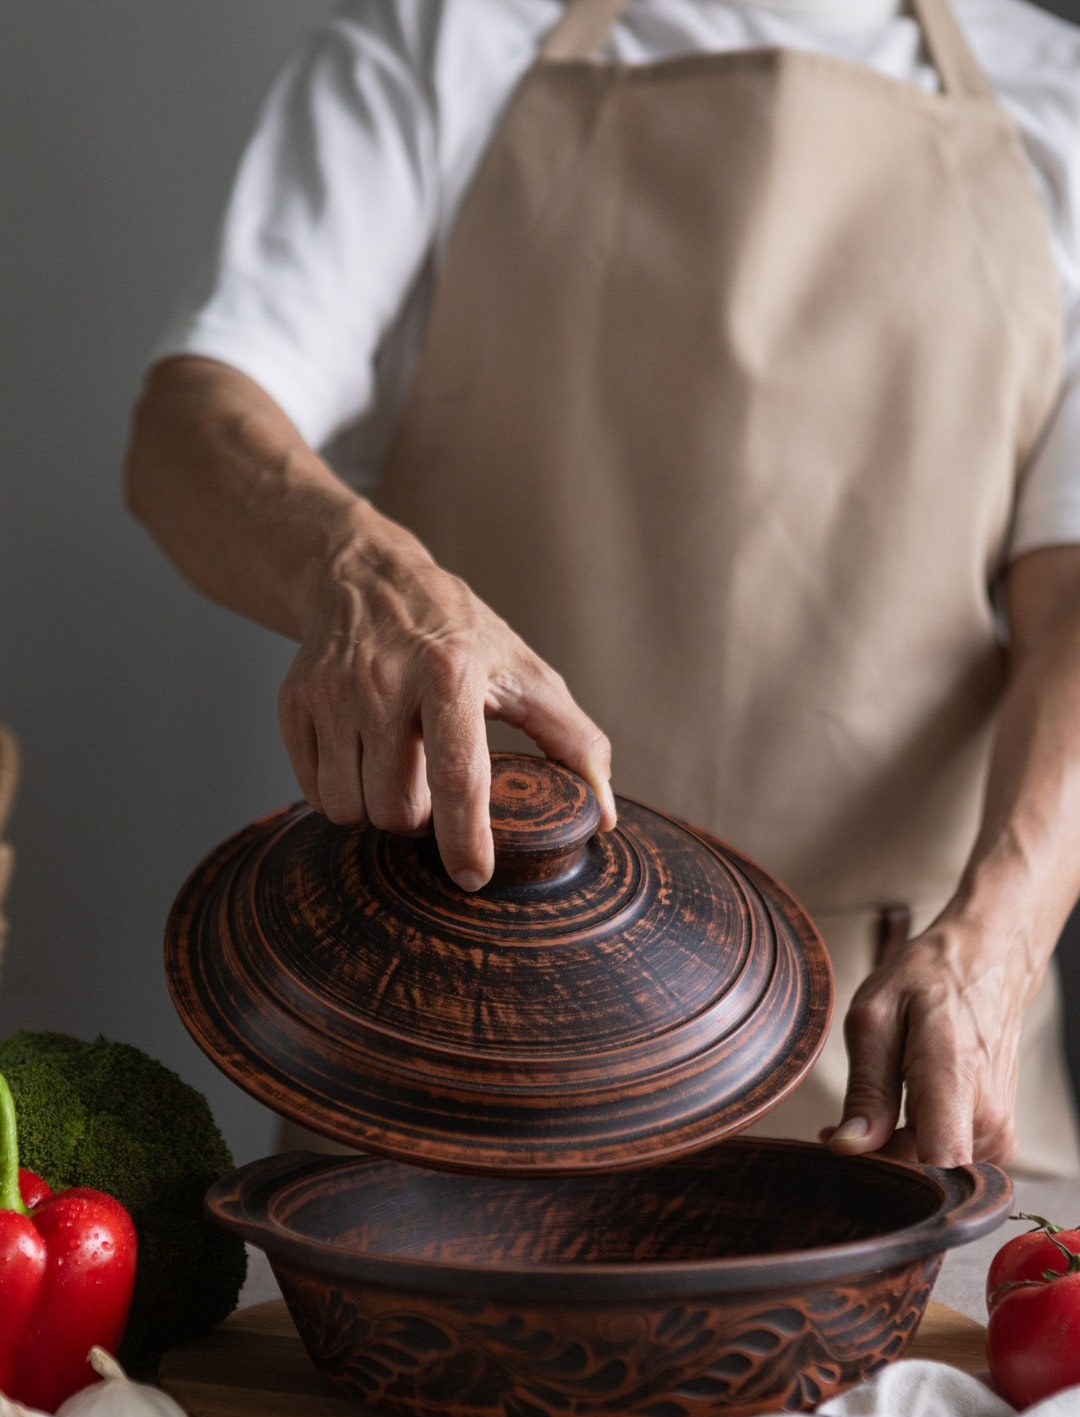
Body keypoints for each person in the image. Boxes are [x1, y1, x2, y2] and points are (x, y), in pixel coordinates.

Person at [126, 0, 1080, 1173]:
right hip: (453, 1069)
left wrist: (999, 937)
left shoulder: (1057, 99)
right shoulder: (446, 35)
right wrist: (362, 573)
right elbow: (189, 425)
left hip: (896, 1072)